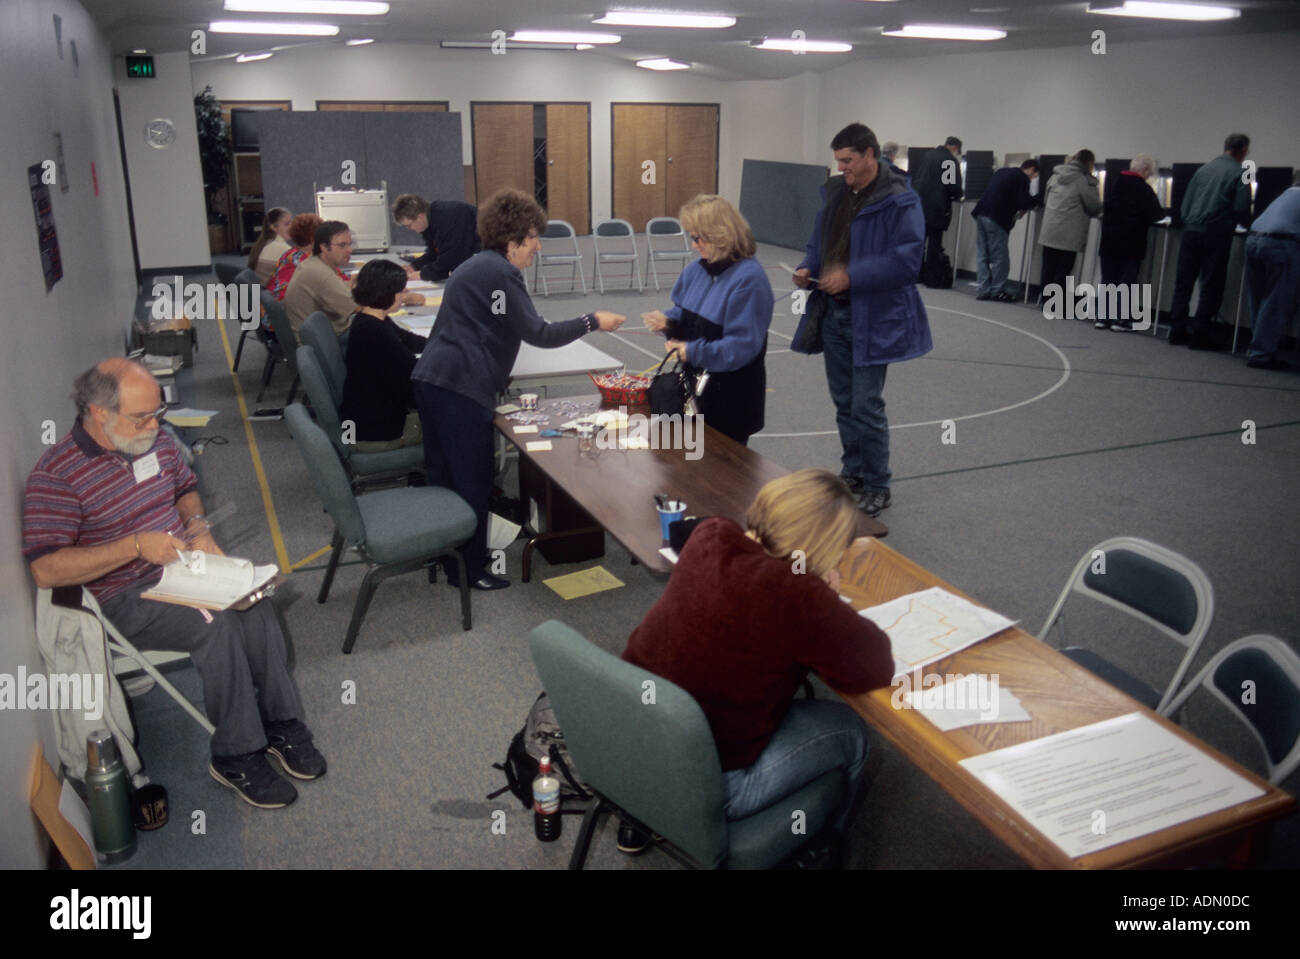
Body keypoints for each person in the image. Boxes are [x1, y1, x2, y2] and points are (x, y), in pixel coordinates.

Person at [22, 359, 326, 809]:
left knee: (255, 602)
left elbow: (185, 487)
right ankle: (236, 754)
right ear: (98, 412)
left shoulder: (156, 440)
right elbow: (47, 570)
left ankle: (281, 723)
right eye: (141, 416)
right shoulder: (57, 475)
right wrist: (135, 547)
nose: (153, 426)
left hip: (183, 568)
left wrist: (200, 530)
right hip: (124, 594)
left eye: (157, 414)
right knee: (215, 624)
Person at [620, 469, 894, 853]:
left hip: (626, 740)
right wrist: (820, 593)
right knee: (851, 730)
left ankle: (645, 816)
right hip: (711, 782)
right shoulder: (796, 595)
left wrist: (809, 583)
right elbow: (876, 665)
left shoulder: (710, 534)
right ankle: (815, 848)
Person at [410, 188, 626, 591]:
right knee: (473, 479)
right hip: (460, 387)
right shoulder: (499, 272)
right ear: (513, 241)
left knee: (444, 475)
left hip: (435, 380)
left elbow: (500, 321)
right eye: (533, 238)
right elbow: (538, 332)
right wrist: (592, 319)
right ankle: (469, 568)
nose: (538, 247)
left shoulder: (479, 265)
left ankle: (445, 554)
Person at [792, 122, 932, 517]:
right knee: (843, 401)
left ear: (870, 154)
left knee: (866, 404)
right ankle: (852, 471)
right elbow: (820, 242)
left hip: (874, 318)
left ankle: (877, 484)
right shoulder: (837, 192)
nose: (842, 169)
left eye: (848, 160)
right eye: (838, 161)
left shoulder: (900, 200)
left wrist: (853, 276)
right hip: (833, 313)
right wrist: (808, 266)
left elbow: (905, 263)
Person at [641, 194, 774, 446]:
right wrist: (668, 322)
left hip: (732, 400)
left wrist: (692, 351)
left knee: (723, 475)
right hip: (695, 391)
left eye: (697, 238)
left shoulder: (749, 281)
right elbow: (686, 315)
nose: (694, 245)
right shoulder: (697, 270)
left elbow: (740, 348)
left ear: (720, 234)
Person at [1169, 133, 1253, 349]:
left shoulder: (1203, 169)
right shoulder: (1242, 172)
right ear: (1243, 150)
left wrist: (1190, 222)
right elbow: (1241, 207)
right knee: (1211, 284)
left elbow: (1186, 203)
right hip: (1216, 233)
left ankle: (1176, 330)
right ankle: (1200, 334)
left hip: (1191, 231)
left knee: (1183, 282)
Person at [338, 259, 427, 451]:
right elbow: (412, 380)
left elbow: (411, 341)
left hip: (366, 419)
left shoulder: (371, 319)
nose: (405, 296)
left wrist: (444, 346)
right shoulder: (374, 332)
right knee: (456, 419)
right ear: (387, 293)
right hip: (374, 431)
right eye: (401, 291)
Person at [284, 220, 424, 339]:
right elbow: (362, 307)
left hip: (320, 339)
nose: (349, 250)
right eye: (342, 245)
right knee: (382, 329)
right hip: (329, 344)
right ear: (324, 247)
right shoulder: (320, 273)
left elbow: (345, 290)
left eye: (350, 244)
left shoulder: (314, 264)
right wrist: (402, 297)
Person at [1097, 154, 1165, 330]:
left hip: (1109, 239)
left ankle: (1103, 318)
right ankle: (1121, 319)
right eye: (1150, 172)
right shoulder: (1144, 189)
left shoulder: (1113, 182)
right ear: (1144, 170)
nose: (1149, 176)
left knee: (1108, 279)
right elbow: (1156, 214)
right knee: (1126, 281)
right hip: (1132, 241)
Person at [1243, 170, 1300, 370]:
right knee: (1276, 301)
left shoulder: (1286, 193)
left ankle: (1257, 345)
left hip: (1253, 240)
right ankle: (1261, 353)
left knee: (1257, 298)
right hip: (1280, 245)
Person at [1037, 150, 1102, 305]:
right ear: (1089, 163)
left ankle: (1046, 301)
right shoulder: (1082, 180)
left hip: (1049, 230)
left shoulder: (1055, 176)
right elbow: (1094, 206)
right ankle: (1056, 304)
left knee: (1048, 267)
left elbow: (1046, 200)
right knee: (1063, 269)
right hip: (1069, 233)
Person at [971, 159, 1039, 301]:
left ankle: (982, 290)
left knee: (982, 254)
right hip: (996, 218)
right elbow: (1022, 202)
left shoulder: (1002, 171)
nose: (1033, 179)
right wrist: (1037, 199)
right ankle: (998, 291)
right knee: (1000, 257)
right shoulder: (1022, 178)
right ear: (1031, 169)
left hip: (981, 213)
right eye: (1034, 176)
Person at [392, 194, 482, 282]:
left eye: (409, 225)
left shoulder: (448, 219)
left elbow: (450, 260)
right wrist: (414, 266)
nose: (410, 229)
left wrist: (422, 274)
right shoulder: (430, 219)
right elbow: (435, 252)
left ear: (420, 217)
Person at [914, 136, 964, 277]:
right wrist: (958, 193)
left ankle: (916, 273)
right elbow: (951, 186)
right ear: (954, 148)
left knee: (920, 241)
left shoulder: (928, 155)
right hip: (937, 207)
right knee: (934, 242)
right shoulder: (948, 160)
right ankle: (930, 275)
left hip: (920, 204)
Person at [266, 212, 322, 301]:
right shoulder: (305, 261)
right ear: (312, 238)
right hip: (287, 307)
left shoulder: (291, 253)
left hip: (275, 304)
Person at [247, 206, 291, 284]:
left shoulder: (263, 244)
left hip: (264, 293)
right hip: (273, 293)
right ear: (273, 227)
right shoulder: (282, 249)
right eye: (287, 224)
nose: (292, 227)